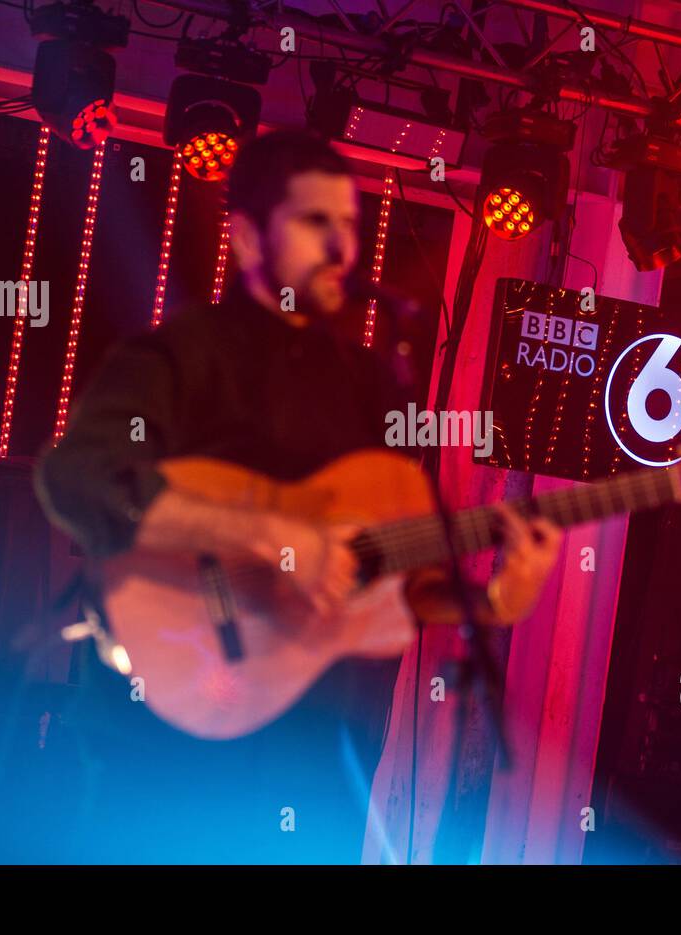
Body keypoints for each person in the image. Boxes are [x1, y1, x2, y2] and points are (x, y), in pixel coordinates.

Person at [33, 128, 562, 863]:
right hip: (159, 757)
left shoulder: (371, 386)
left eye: (350, 224)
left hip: (305, 762)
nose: (343, 248)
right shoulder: (178, 358)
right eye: (317, 223)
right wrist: (272, 539)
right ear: (248, 237)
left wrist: (496, 600)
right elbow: (79, 476)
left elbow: (385, 582)